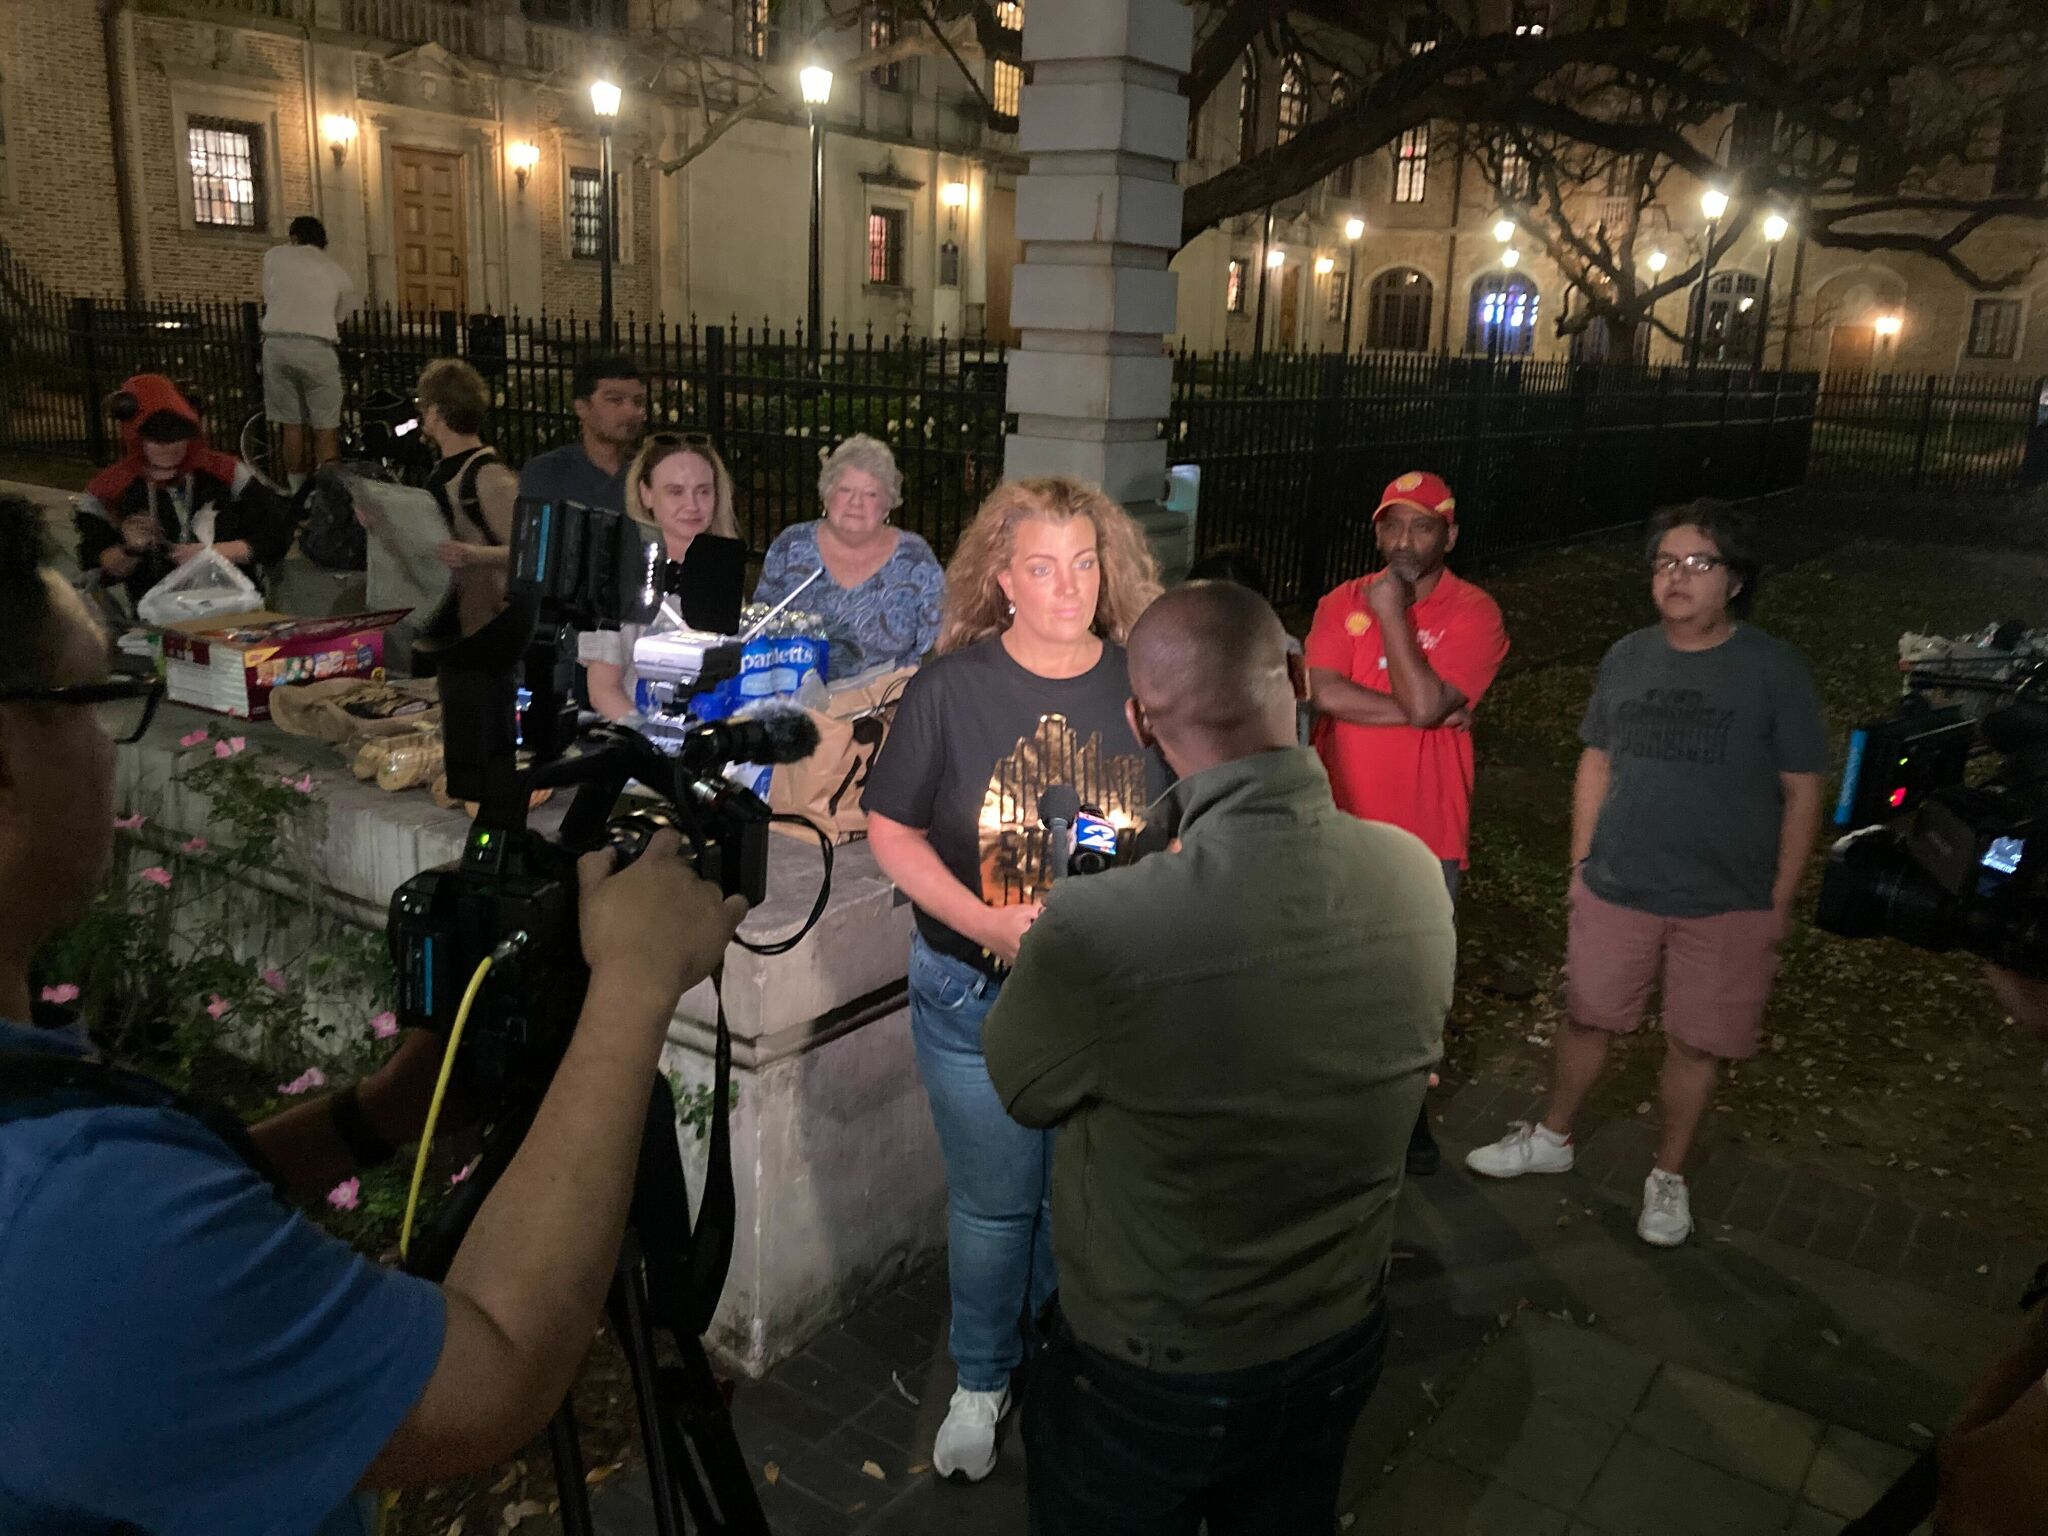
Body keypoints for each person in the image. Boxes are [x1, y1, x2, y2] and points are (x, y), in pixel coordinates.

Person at [0, 494, 749, 1534]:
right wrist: (631, 986)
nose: (106, 738)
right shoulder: (72, 1213)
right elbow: (493, 1369)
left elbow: (179, 1223)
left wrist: (381, 1111)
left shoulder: (61, 1162)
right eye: (96, 696)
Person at [983, 581, 1455, 1535]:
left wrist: (1096, 909)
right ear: (1295, 679)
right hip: (1337, 1335)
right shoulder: (1412, 874)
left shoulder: (1102, 924)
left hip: (1149, 1367)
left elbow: (1023, 1084)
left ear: (1139, 721)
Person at [862, 476, 1162, 1482]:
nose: (1067, 586)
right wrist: (981, 921)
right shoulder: (951, 688)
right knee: (995, 1205)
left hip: (1104, 1000)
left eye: (1084, 562)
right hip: (969, 992)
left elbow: (1181, 830)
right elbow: (890, 828)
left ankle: (1056, 1343)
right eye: (1041, 565)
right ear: (1001, 578)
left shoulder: (1141, 687)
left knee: (1072, 1197)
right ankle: (982, 1379)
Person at [1465, 500, 1828, 1248]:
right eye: (1666, 563)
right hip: (1619, 883)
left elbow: (1802, 789)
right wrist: (1580, 864)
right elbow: (1595, 759)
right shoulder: (1628, 656)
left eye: (1699, 563)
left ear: (1735, 581)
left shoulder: (1773, 669)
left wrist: (1779, 899)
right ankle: (1554, 1135)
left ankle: (1668, 1176)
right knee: (1587, 1015)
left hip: (1727, 899)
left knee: (1694, 1045)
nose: (1678, 577)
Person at [1306, 470, 1509, 1176]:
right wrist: (1421, 710)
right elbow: (1320, 688)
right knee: (1332, 976)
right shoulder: (1339, 601)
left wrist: (1393, 614)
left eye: (1422, 525)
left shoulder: (1476, 612)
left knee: (1417, 985)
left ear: (1450, 535)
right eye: (1392, 524)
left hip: (1429, 833)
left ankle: (1408, 1116)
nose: (1404, 538)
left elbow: (1402, 697)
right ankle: (1336, 1108)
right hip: (1339, 822)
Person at [76, 373, 289, 610]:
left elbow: (276, 537)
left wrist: (216, 553)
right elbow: (96, 569)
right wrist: (132, 548)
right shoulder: (110, 489)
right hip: (158, 616)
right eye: (156, 439)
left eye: (178, 437)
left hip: (234, 608)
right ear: (136, 438)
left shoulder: (226, 473)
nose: (168, 448)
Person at [580, 434, 743, 722]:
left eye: (703, 491)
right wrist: (654, 745)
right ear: (646, 494)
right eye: (676, 492)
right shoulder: (617, 575)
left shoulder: (723, 568)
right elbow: (603, 690)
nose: (692, 505)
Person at [752, 434, 943, 680]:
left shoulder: (915, 557)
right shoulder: (792, 546)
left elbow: (937, 645)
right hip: (798, 698)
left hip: (888, 703)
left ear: (887, 505)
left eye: (870, 494)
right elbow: (759, 629)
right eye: (845, 490)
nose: (856, 503)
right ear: (827, 495)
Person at [413, 358, 520, 641]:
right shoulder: (448, 468)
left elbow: (527, 551)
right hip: (446, 617)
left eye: (423, 406)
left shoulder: (486, 474)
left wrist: (473, 555)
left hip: (476, 627)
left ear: (436, 412)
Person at [261, 215, 356, 489]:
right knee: (325, 428)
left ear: (294, 237)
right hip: (316, 347)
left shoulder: (274, 257)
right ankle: (328, 496)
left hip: (277, 345)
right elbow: (340, 314)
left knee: (291, 425)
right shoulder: (337, 272)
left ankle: (296, 491)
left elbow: (268, 294)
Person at [518, 354, 648, 515]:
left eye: (638, 402)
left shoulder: (651, 472)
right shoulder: (548, 472)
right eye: (615, 400)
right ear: (582, 407)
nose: (631, 412)